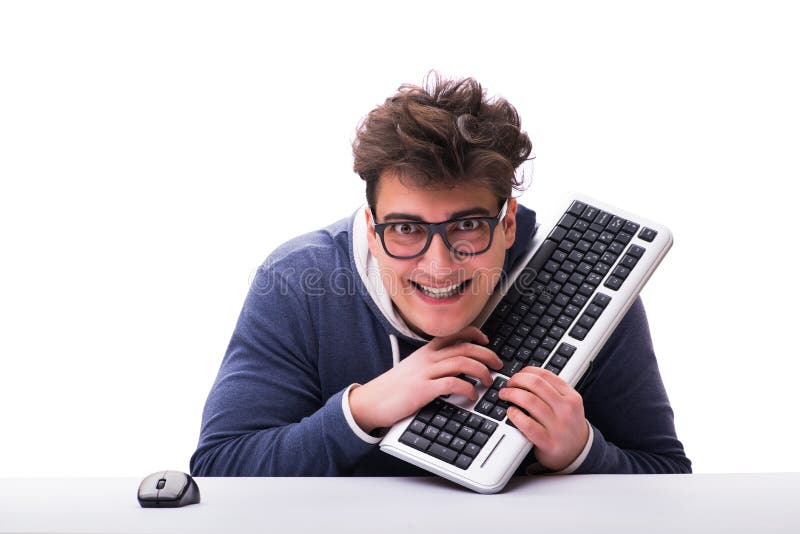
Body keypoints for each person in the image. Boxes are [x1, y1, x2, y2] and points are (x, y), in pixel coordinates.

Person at [190, 73, 691, 477]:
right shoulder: (296, 281)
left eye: (468, 225)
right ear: (371, 226)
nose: (440, 265)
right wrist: (362, 410)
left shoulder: (592, 290)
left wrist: (583, 453)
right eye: (406, 228)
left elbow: (668, 474)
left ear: (508, 222)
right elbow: (220, 469)